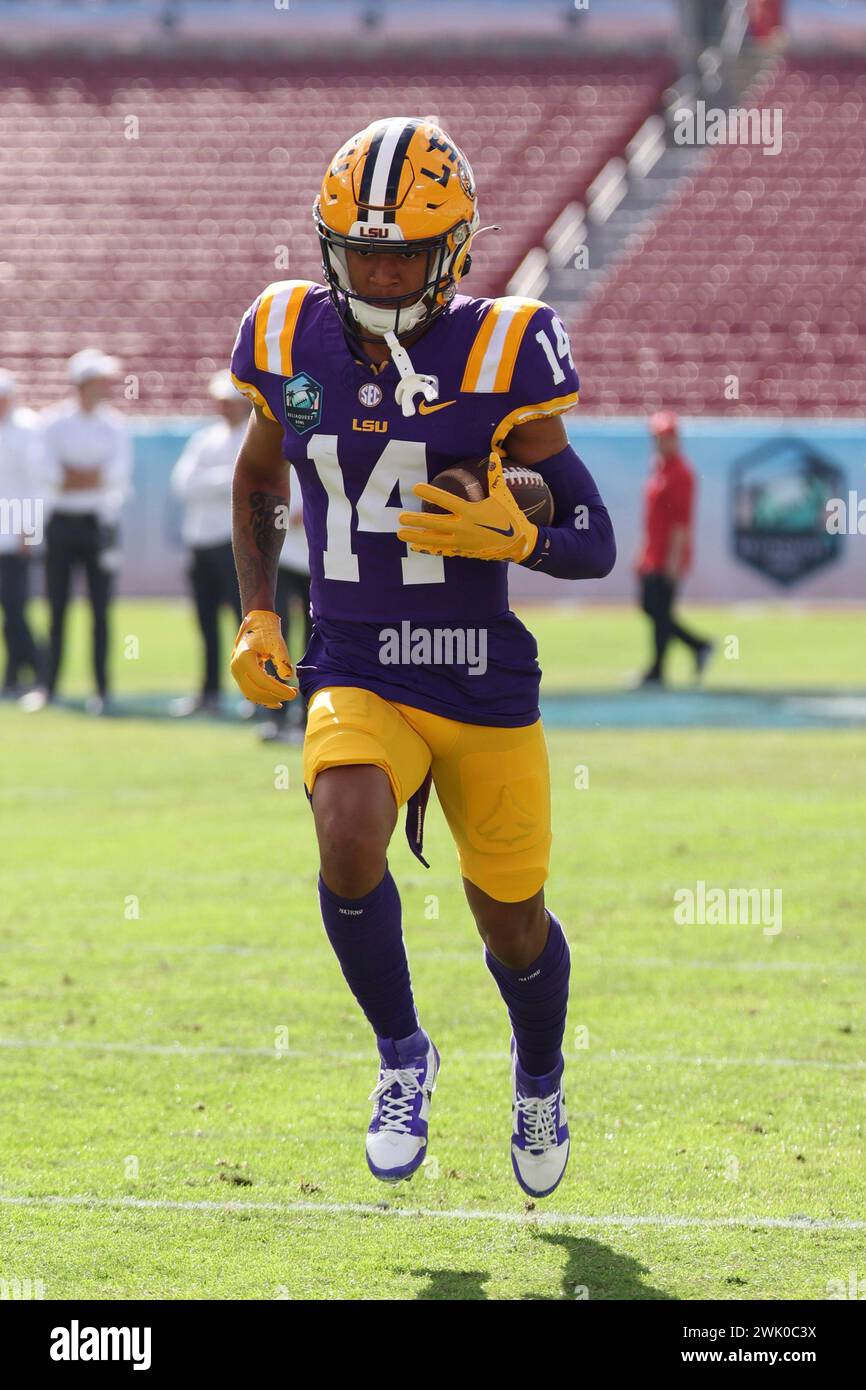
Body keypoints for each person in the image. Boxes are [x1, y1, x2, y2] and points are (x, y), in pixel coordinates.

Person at [228, 118, 615, 1197]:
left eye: (406, 253)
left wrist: (522, 533)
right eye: (364, 252)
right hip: (356, 657)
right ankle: (403, 1053)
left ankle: (536, 1069)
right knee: (345, 828)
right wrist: (260, 614)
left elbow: (593, 535)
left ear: (455, 252)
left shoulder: (503, 345)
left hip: (479, 673)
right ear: (327, 248)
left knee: (513, 923)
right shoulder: (282, 333)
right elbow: (258, 479)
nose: (384, 273)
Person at [22, 349, 133, 715]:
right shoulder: (53, 423)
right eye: (99, 379)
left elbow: (116, 475)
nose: (105, 386)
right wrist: (88, 476)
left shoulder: (115, 424)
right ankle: (48, 686)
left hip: (96, 524)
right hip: (62, 524)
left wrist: (77, 476)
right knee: (57, 607)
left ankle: (102, 689)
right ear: (84, 383)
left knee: (100, 611)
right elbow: (50, 475)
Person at [169, 371, 248, 716]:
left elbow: (244, 484)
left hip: (233, 542)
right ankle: (209, 692)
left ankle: (256, 694)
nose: (224, 408)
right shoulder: (205, 439)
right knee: (206, 623)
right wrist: (223, 482)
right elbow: (183, 485)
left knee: (242, 624)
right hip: (200, 541)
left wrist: (213, 483)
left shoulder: (253, 436)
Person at [635, 411, 712, 688]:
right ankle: (697, 646)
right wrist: (643, 551)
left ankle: (659, 669)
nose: (659, 442)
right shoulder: (659, 469)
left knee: (660, 610)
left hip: (668, 554)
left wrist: (673, 560)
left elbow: (681, 521)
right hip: (653, 551)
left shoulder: (681, 473)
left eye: (664, 437)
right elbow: (651, 518)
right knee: (653, 608)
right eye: (656, 438)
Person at [0, 370, 45, 696]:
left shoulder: (26, 429)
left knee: (15, 607)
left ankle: (37, 667)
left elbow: (33, 483)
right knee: (10, 608)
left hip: (14, 531)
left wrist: (29, 532)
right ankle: (18, 673)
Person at [258, 471, 310, 743]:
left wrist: (310, 513)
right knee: (277, 635)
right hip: (284, 555)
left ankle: (308, 717)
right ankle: (276, 715)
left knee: (315, 640)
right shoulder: (282, 450)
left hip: (320, 559)